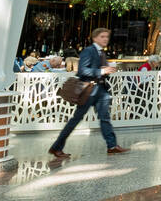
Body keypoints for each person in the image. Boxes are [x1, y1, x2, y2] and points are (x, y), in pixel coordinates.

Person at [49, 28, 128, 159]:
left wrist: (106, 71)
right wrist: (101, 71)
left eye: (107, 37)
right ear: (95, 38)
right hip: (88, 91)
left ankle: (112, 146)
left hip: (101, 90)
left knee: (105, 118)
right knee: (76, 120)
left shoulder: (102, 53)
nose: (105, 39)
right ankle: (56, 147)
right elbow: (82, 70)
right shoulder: (88, 51)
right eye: (102, 36)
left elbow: (97, 69)